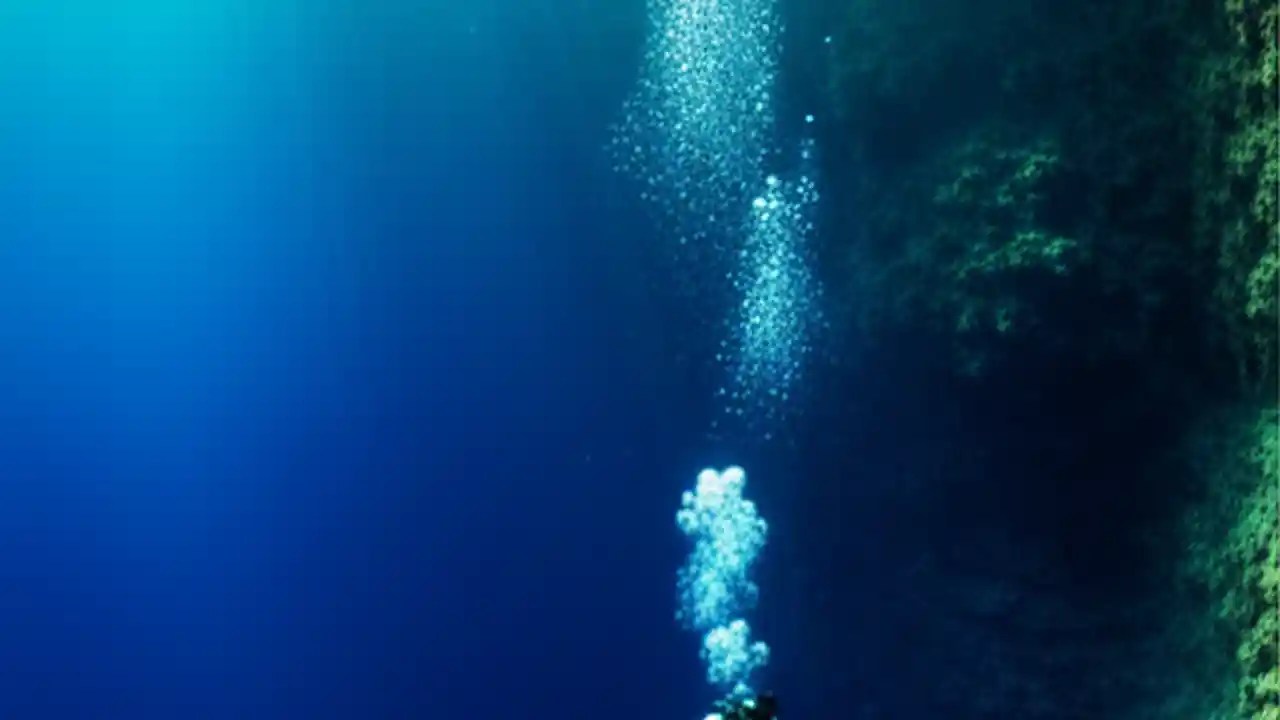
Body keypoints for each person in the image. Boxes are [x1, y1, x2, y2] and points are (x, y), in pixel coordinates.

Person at [708, 692, 778, 720]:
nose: (763, 706)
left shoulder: (772, 719)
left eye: (766, 704)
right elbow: (735, 709)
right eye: (761, 701)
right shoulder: (748, 706)